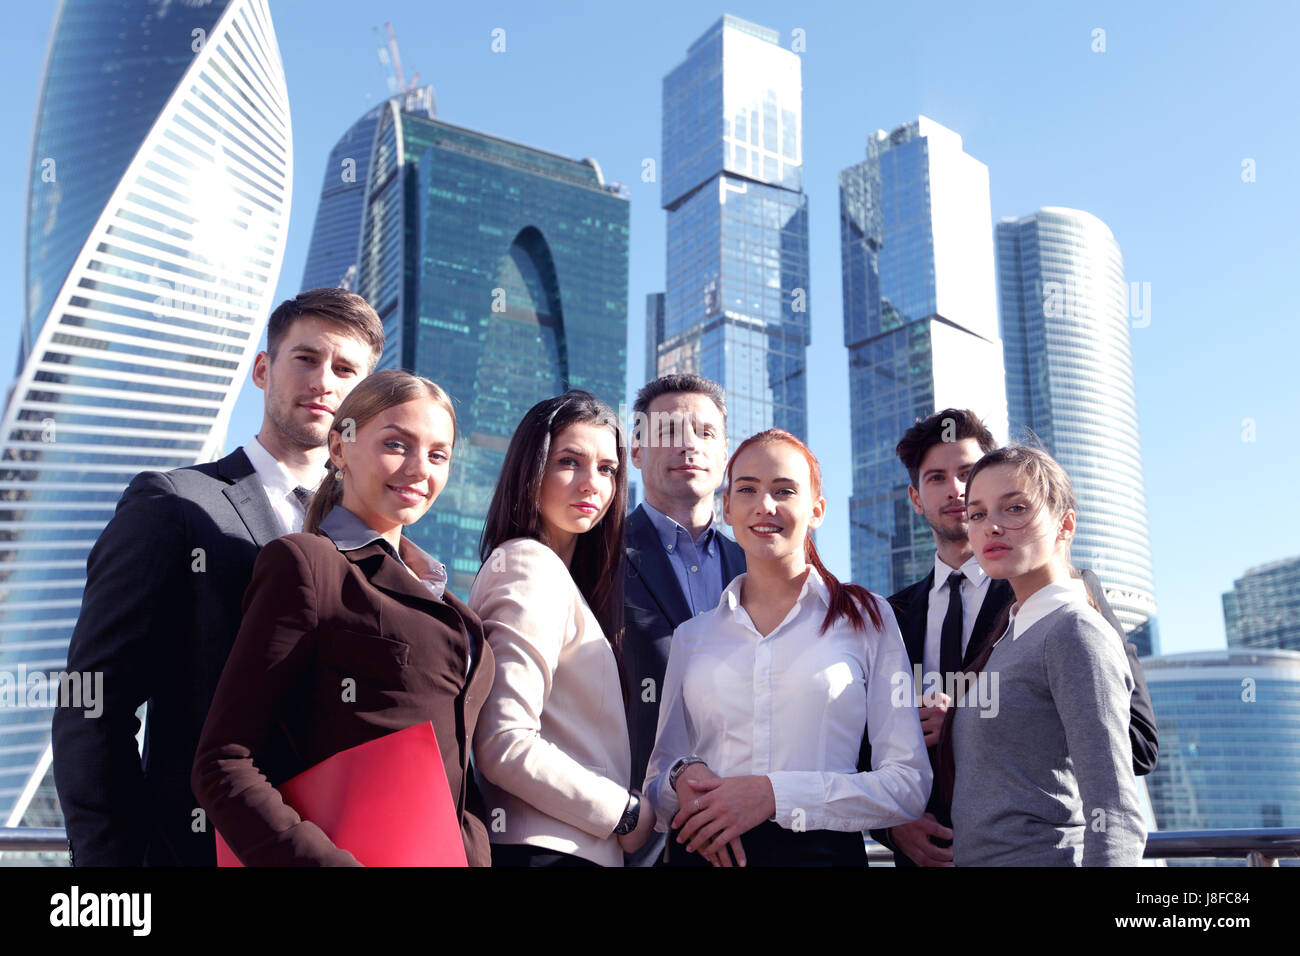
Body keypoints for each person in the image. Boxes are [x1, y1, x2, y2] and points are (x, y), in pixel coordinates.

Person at [52, 288, 384, 866]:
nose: (325, 381)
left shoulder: (378, 543)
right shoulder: (175, 503)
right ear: (263, 369)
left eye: (346, 369)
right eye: (305, 358)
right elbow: (93, 703)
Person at [191, 369, 493, 866]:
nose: (421, 469)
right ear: (339, 448)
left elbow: (460, 780)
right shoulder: (310, 565)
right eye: (397, 444)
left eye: (439, 455)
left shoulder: (456, 611)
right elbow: (223, 762)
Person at [874, 408, 1158, 867]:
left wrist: (963, 713)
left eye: (968, 474)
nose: (956, 491)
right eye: (978, 511)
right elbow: (863, 738)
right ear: (915, 497)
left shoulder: (1071, 609)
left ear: (1063, 525)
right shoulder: (892, 614)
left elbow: (1130, 755)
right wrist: (891, 822)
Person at [644, 429, 930, 867]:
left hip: (820, 856)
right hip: (704, 855)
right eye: (747, 490)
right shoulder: (692, 636)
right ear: (727, 507)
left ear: (816, 510)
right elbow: (658, 783)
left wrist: (773, 795)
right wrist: (681, 778)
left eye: (784, 491)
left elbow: (908, 786)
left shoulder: (868, 617)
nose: (765, 506)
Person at [471, 390, 654, 867]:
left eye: (608, 469)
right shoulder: (529, 564)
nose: (592, 484)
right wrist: (626, 813)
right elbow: (503, 742)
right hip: (549, 850)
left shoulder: (558, 575)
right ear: (531, 470)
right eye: (569, 461)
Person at [946, 444, 1147, 865]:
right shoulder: (1013, 632)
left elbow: (1114, 810)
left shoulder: (1074, 631)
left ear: (1065, 525)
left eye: (1014, 508)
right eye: (978, 514)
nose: (991, 527)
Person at [623, 374, 745, 865]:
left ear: (724, 457)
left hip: (753, 831)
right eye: (670, 432)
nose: (689, 445)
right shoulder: (590, 559)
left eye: (705, 433)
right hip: (634, 835)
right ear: (635, 451)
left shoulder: (764, 569)